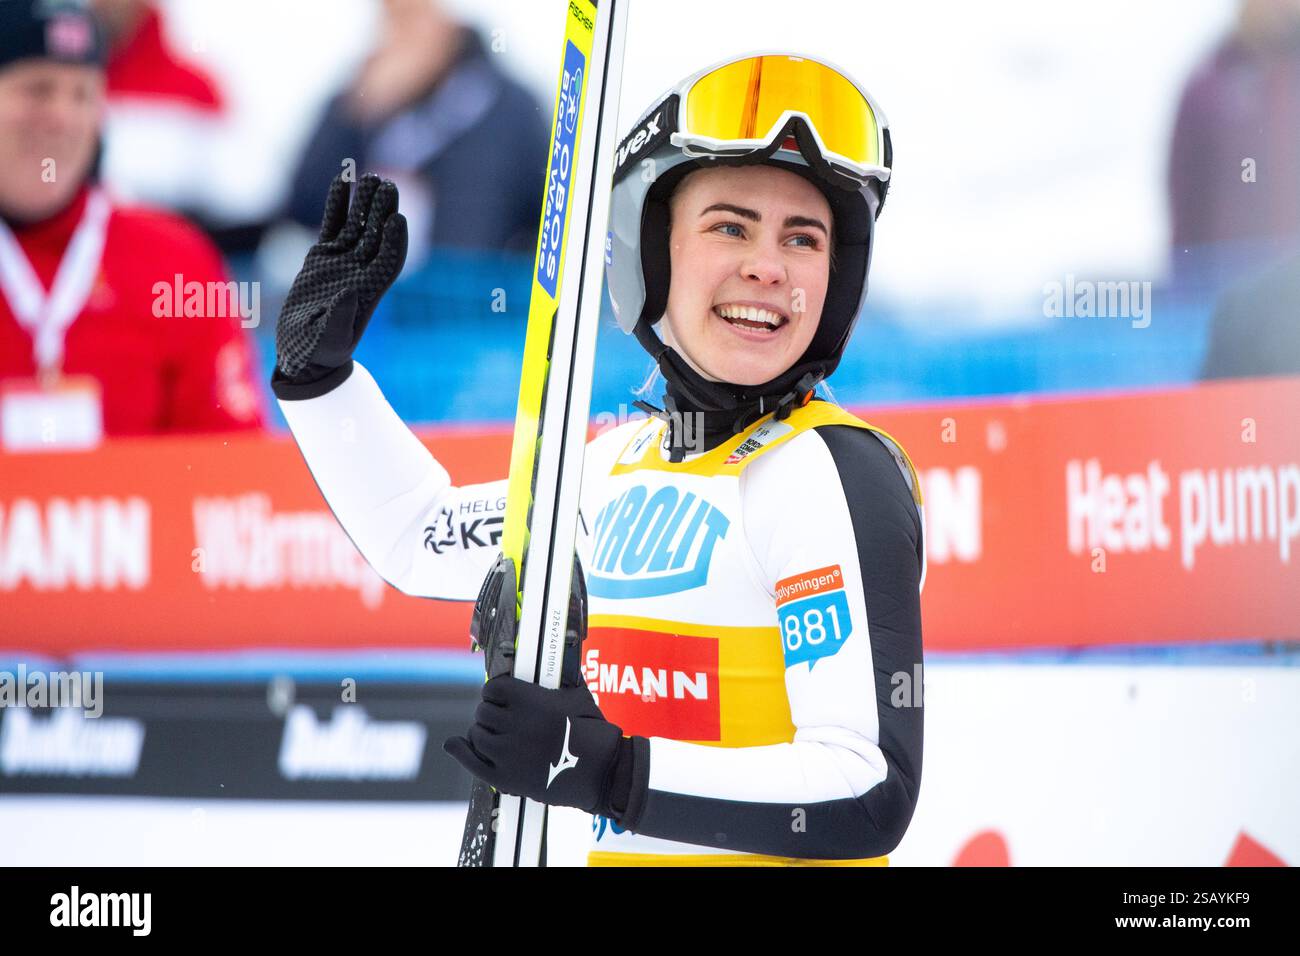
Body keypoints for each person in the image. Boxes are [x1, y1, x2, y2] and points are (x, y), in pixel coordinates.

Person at [271, 52, 925, 866]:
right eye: (730, 226)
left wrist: (608, 770)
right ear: (651, 254)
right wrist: (319, 383)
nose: (769, 265)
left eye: (804, 238)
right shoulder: (610, 469)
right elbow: (416, 535)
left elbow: (867, 790)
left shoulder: (827, 472)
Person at [0, 0, 264, 440]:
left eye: (82, 94)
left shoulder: (177, 264)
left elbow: (232, 471)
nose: (62, 117)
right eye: (38, 89)